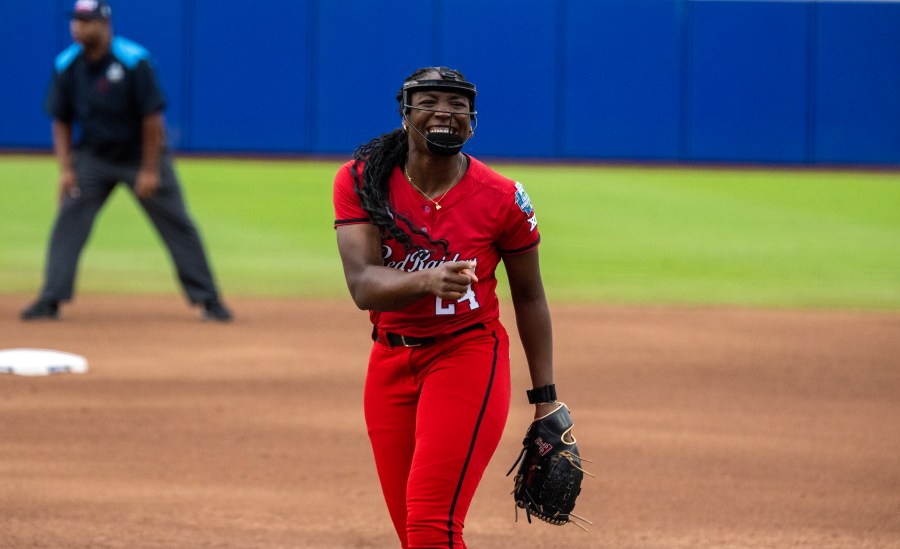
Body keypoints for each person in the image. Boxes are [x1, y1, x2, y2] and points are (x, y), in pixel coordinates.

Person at [333, 66, 562, 548]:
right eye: (431, 100)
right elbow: (362, 286)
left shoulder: (503, 197)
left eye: (458, 104)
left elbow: (530, 296)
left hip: (467, 356)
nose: (445, 112)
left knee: (432, 526)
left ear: (472, 118)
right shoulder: (361, 180)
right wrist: (427, 280)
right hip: (390, 362)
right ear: (406, 112)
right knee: (414, 532)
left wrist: (545, 399)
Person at [21, 0, 232, 322]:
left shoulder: (134, 60)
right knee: (68, 222)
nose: (78, 26)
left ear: (104, 24)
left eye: (86, 20)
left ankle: (209, 300)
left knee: (177, 225)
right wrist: (65, 169)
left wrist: (149, 170)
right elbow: (60, 119)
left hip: (141, 155)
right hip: (93, 157)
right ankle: (50, 299)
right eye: (75, 20)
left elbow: (152, 119)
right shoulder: (66, 64)